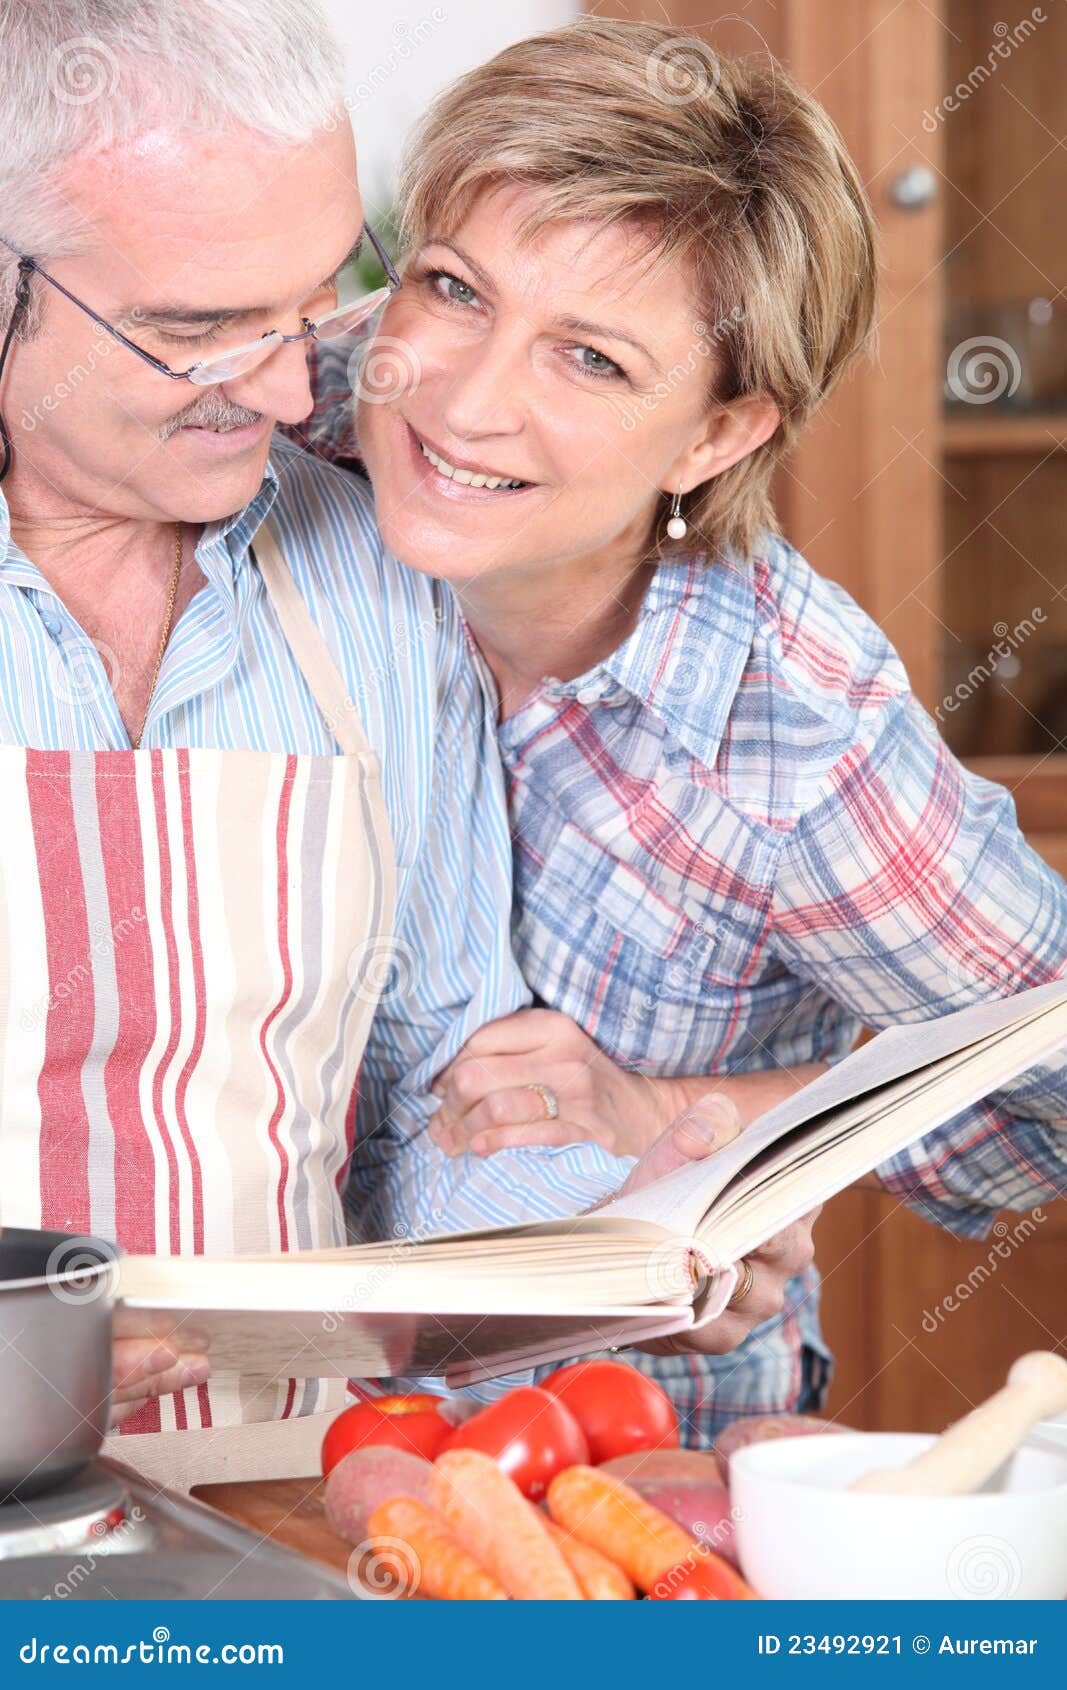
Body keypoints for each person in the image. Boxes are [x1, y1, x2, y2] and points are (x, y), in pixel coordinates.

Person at [0, 0, 812, 1489]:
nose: (299, 393)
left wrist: (619, 1235)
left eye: (315, 305)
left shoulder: (371, 582)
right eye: (196, 331)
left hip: (290, 1503)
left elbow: (440, 1085)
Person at [304, 18, 1067, 1444]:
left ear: (717, 437)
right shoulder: (295, 423)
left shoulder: (792, 736)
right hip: (279, 1437)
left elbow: (1053, 1072)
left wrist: (703, 1129)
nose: (466, 399)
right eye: (453, 287)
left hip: (622, 1464)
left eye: (590, 360)